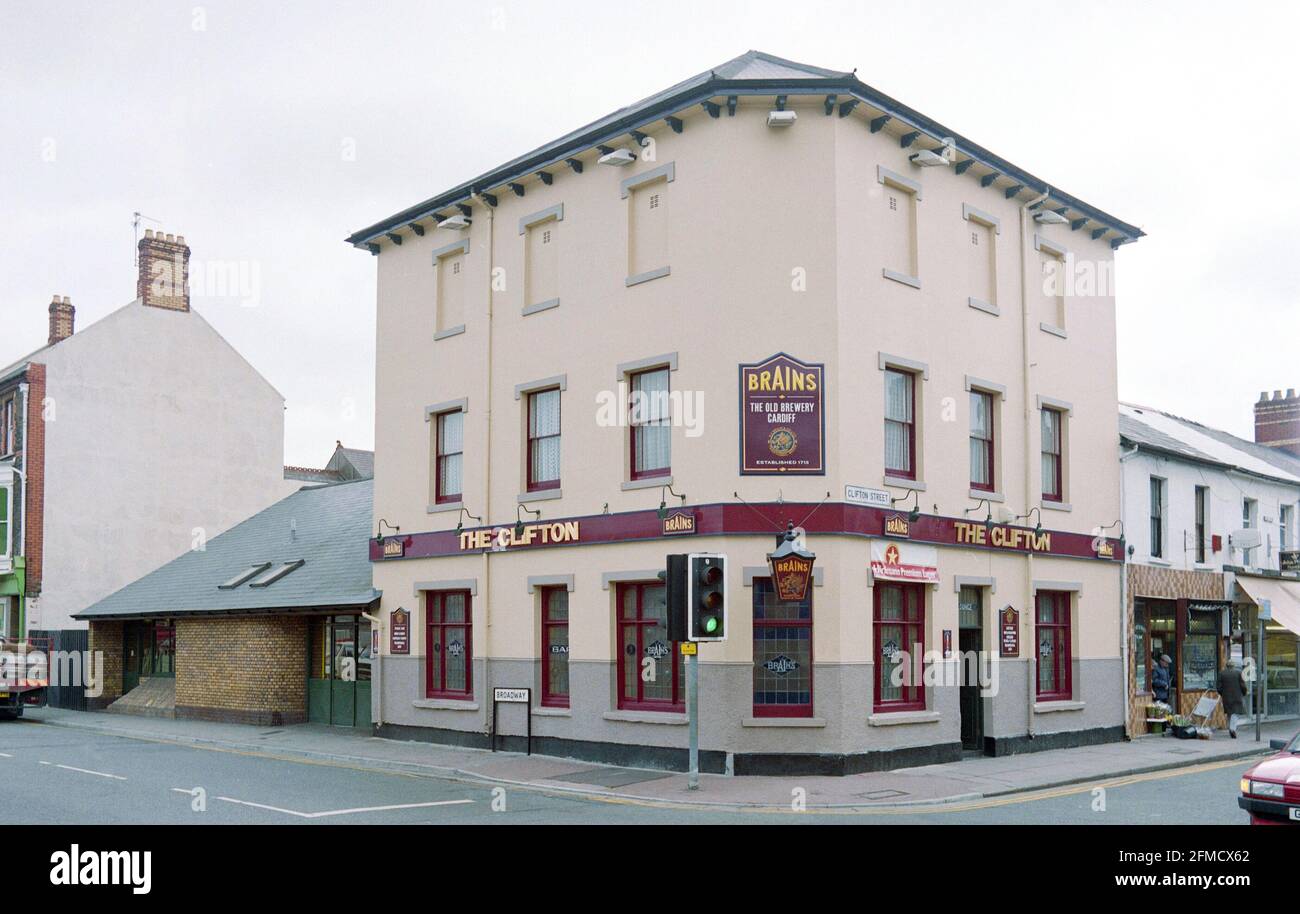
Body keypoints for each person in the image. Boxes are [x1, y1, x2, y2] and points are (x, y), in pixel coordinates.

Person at [1219, 657, 1247, 738]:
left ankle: (1230, 729)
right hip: (1237, 696)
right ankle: (1232, 729)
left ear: (1226, 666)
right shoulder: (1238, 673)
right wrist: (1244, 693)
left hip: (1226, 697)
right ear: (1233, 666)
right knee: (1236, 713)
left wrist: (1222, 694)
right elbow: (1243, 686)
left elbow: (1218, 687)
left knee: (1229, 713)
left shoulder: (1222, 673)